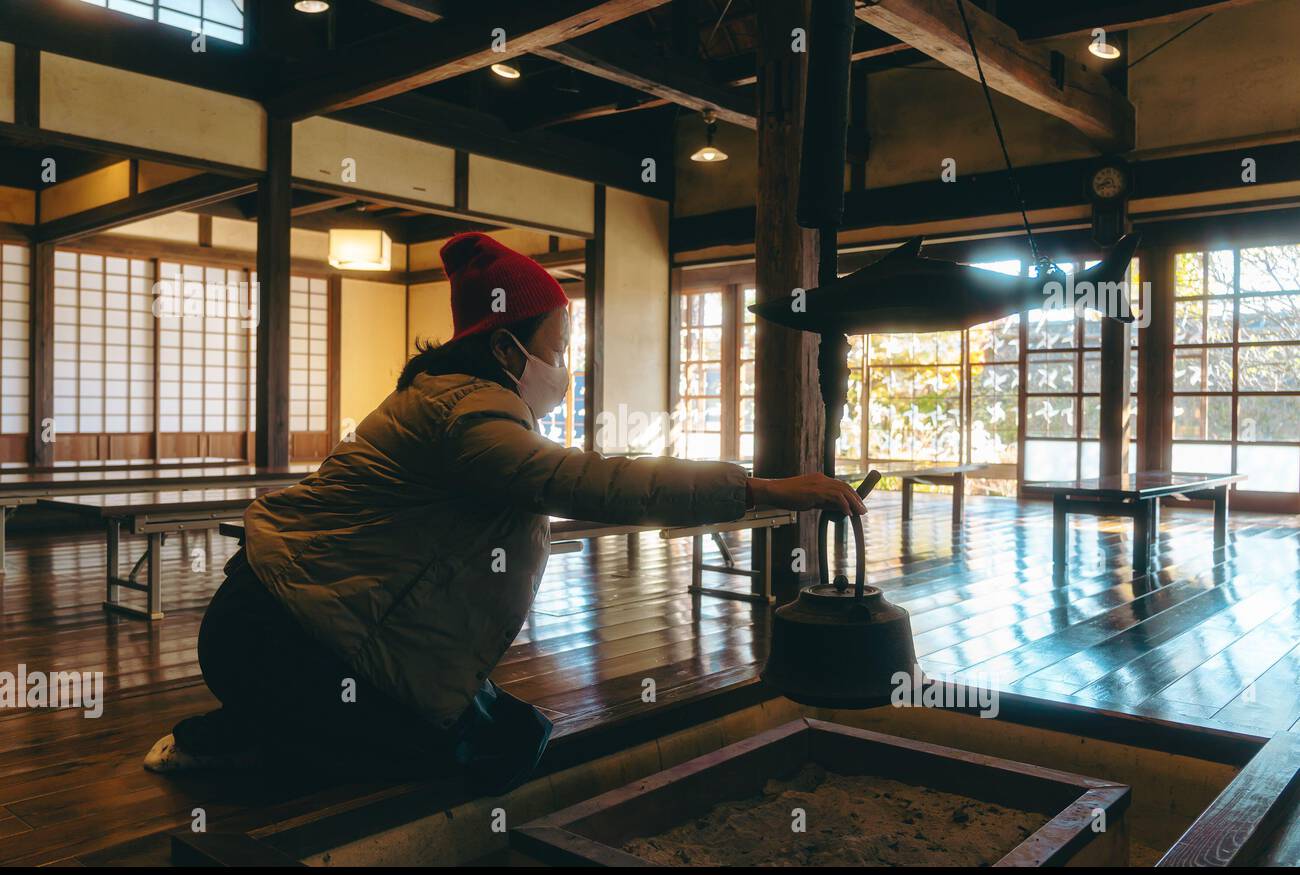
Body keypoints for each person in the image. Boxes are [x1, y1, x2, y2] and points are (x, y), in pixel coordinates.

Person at [145, 232, 864, 793]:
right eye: (558, 346)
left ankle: (268, 728)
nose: (566, 363)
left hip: (297, 628)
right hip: (282, 638)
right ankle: (235, 738)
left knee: (502, 728)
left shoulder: (454, 400)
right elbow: (594, 482)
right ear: (505, 344)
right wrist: (762, 488)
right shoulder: (466, 413)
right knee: (460, 754)